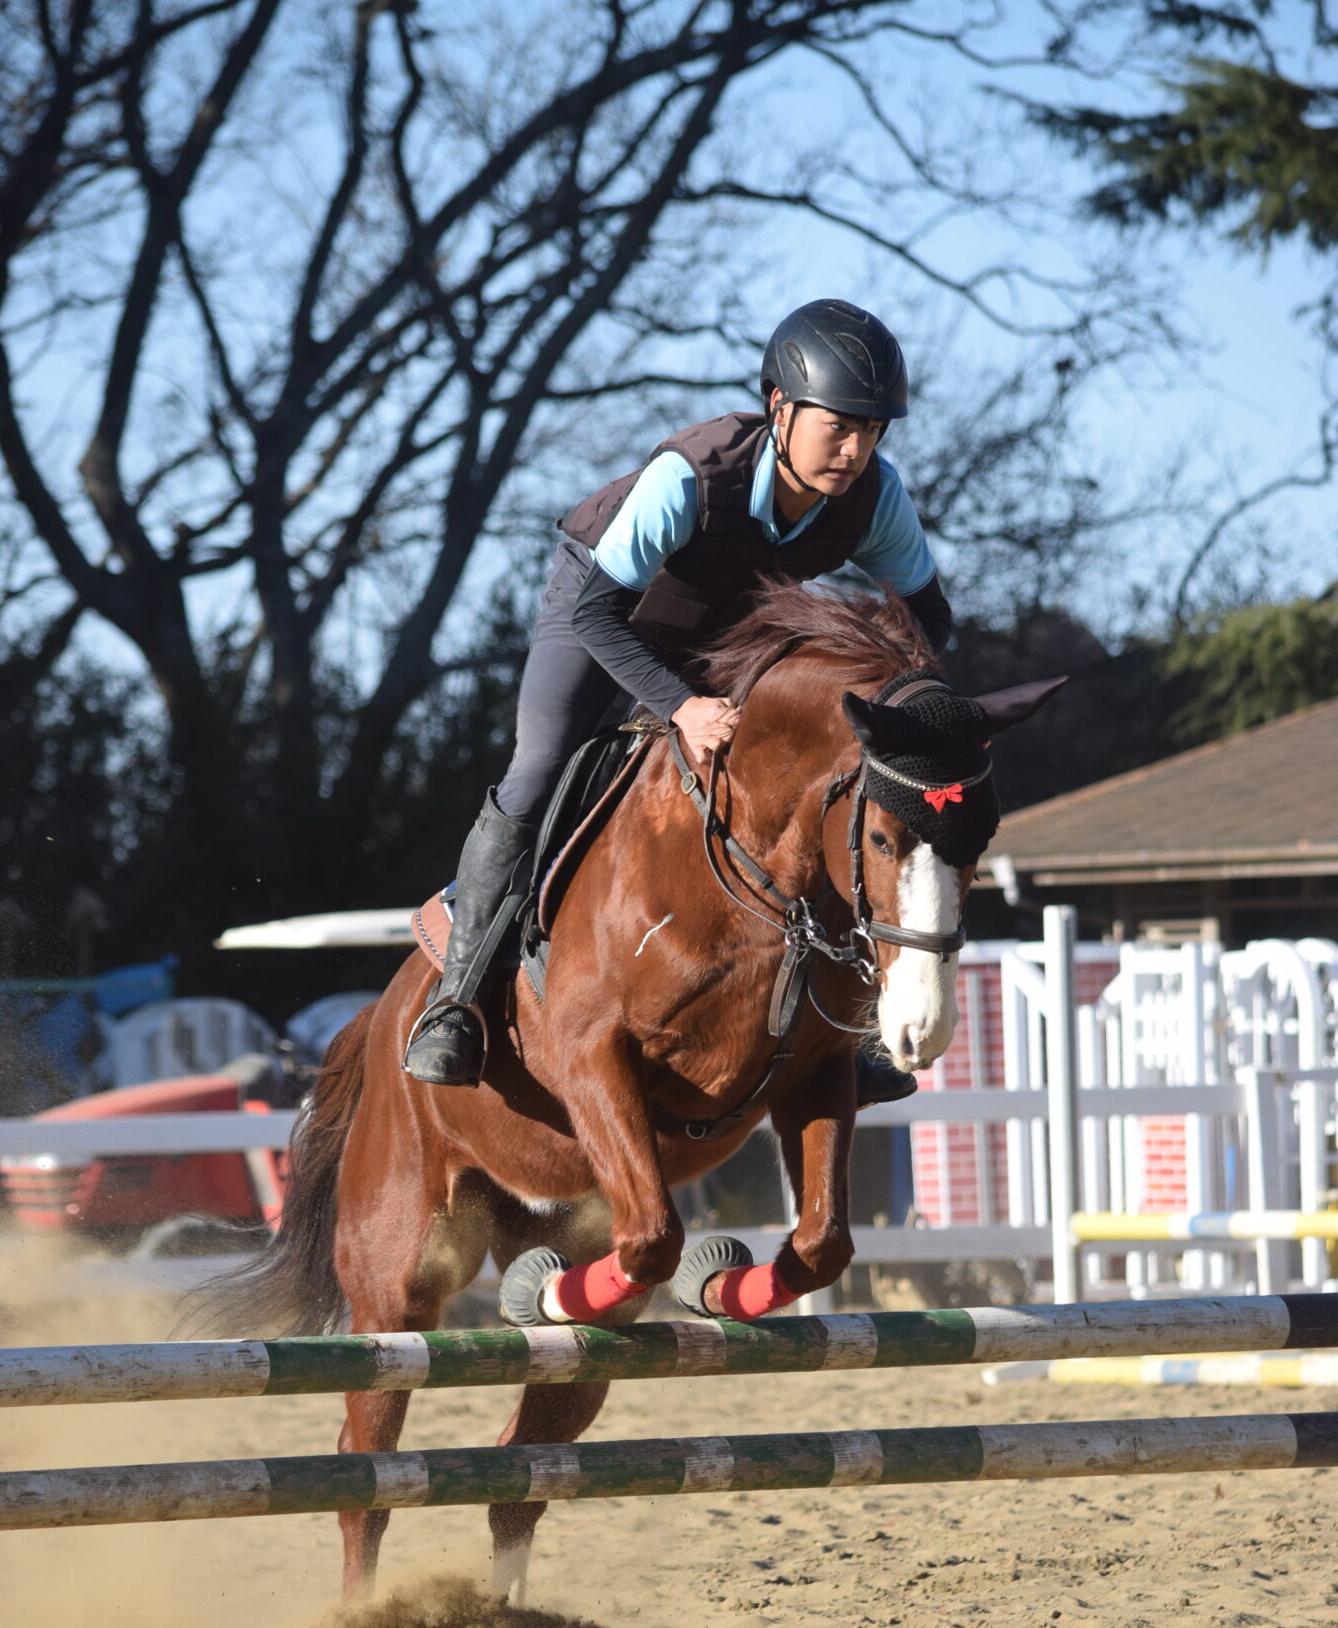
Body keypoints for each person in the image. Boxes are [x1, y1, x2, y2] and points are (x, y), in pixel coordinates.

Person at [404, 298, 953, 1087]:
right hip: (602, 607)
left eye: (872, 429)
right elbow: (598, 613)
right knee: (543, 763)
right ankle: (457, 1001)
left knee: (822, 787)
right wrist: (678, 706)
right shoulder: (691, 476)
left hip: (721, 628)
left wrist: (903, 707)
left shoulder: (874, 497)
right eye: (838, 425)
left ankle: (835, 1028)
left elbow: (927, 616)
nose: (856, 448)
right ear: (779, 408)